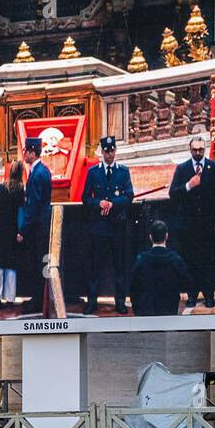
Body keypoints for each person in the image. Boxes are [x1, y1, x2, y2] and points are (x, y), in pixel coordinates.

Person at [168, 136, 215, 309]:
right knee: (191, 261)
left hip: (209, 223)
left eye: (201, 150)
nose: (198, 153)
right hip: (189, 224)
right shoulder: (182, 169)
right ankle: (192, 295)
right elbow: (174, 194)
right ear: (190, 150)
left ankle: (209, 295)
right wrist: (188, 185)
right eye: (195, 150)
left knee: (208, 260)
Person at [80, 135, 134, 315]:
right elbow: (85, 197)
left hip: (117, 227)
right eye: (106, 151)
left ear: (115, 151)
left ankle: (119, 301)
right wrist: (98, 204)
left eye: (112, 151)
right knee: (95, 267)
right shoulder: (93, 172)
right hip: (99, 227)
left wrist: (113, 204)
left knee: (119, 266)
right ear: (102, 151)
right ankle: (92, 301)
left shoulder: (123, 171)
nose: (109, 154)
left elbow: (129, 196)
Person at [17, 136, 53, 315]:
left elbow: (34, 204)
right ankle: (38, 298)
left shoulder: (37, 173)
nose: (24, 154)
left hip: (37, 228)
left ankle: (38, 300)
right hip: (41, 225)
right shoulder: (43, 170)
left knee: (37, 264)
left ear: (32, 152)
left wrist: (23, 228)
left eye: (25, 151)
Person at [130, 220, 194, 317]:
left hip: (147, 310)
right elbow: (187, 283)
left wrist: (137, 309)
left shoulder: (141, 259)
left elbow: (133, 287)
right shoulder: (176, 260)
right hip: (169, 308)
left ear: (150, 237)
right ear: (167, 236)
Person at [0, 161, 26, 309]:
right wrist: (20, 231)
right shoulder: (21, 190)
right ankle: (10, 299)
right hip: (13, 231)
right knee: (11, 266)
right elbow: (21, 212)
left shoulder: (1, 187)